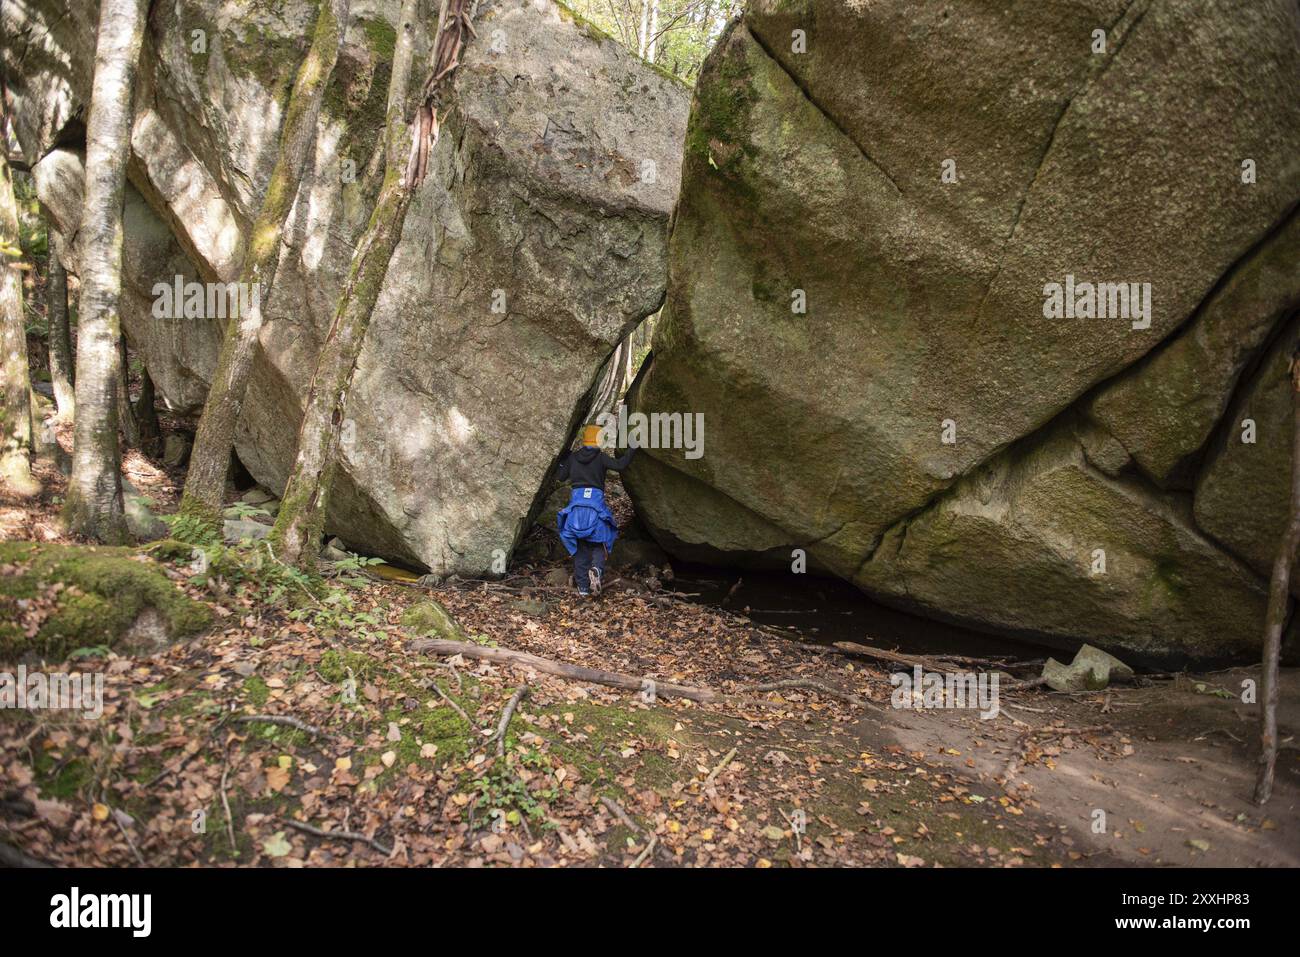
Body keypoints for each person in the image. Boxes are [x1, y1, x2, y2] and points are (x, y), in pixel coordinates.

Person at [555, 424, 638, 596]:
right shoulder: (601, 458)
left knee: (581, 547)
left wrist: (564, 457)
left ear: (585, 439)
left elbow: (561, 476)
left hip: (576, 510)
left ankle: (584, 589)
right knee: (600, 543)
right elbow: (621, 465)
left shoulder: (574, 457)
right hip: (595, 508)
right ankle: (597, 570)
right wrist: (633, 447)